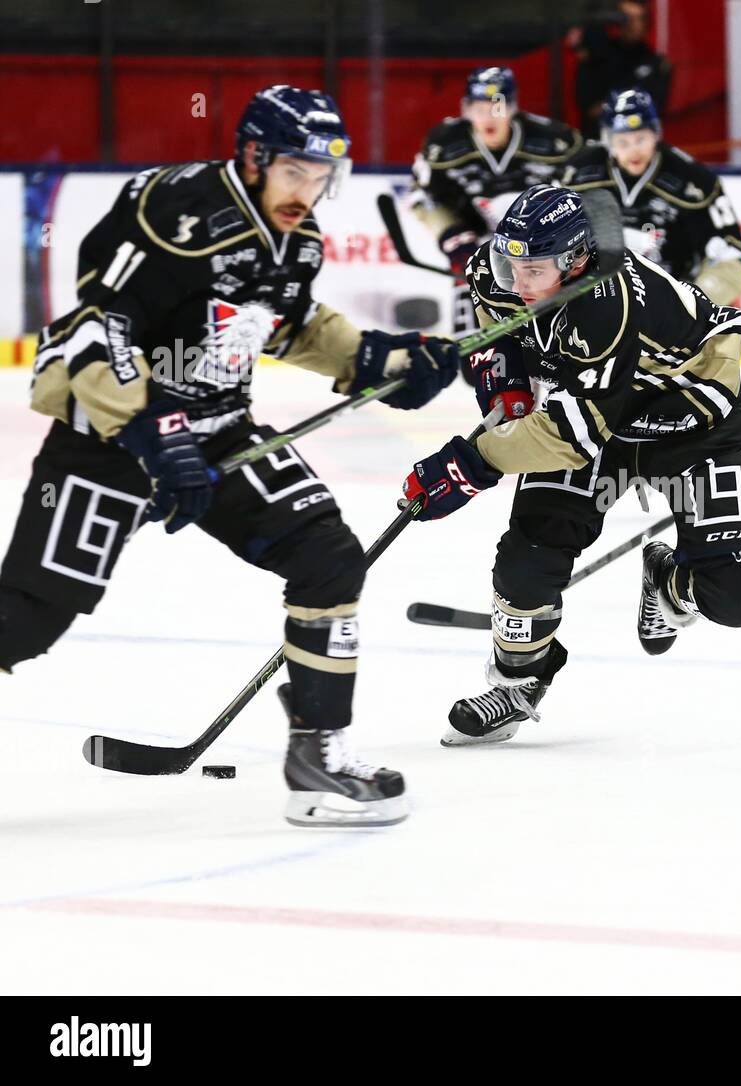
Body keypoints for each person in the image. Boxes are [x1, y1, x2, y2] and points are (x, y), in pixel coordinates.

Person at [0, 85, 457, 825]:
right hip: (117, 439)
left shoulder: (296, 240)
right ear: (253, 157)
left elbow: (287, 324)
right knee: (25, 621)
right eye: (295, 172)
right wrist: (151, 430)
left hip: (217, 428)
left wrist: (381, 361)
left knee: (328, 555)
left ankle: (318, 757)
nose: (308, 193)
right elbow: (92, 330)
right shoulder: (174, 212)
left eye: (321, 177)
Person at [400, 185, 741, 746]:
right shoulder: (495, 269)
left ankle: (671, 582)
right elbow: (492, 335)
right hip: (591, 414)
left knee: (740, 595)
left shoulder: (609, 302)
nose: (517, 282)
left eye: (535, 270)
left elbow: (570, 438)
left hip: (692, 422)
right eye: (512, 265)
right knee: (525, 564)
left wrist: (471, 462)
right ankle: (517, 682)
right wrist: (506, 392)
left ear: (576, 260)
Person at [410, 65, 585, 353]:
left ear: (513, 106)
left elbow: (590, 189)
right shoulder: (443, 145)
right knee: (475, 356)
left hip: (543, 248)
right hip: (477, 244)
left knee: (555, 348)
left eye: (497, 107)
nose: (488, 117)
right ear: (466, 109)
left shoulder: (556, 142)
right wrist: (453, 237)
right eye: (479, 108)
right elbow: (422, 198)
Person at [562, 88, 741, 305]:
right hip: (598, 303)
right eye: (623, 142)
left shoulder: (694, 181)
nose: (634, 151)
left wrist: (690, 306)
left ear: (656, 134)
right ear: (608, 141)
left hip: (673, 304)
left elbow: (732, 256)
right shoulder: (576, 175)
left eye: (641, 139)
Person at [572, 0, 672, 140]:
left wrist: (612, 105)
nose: (634, 25)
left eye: (640, 19)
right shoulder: (598, 58)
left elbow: (653, 108)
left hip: (639, 143)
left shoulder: (655, 63)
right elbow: (590, 108)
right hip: (598, 141)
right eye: (627, 18)